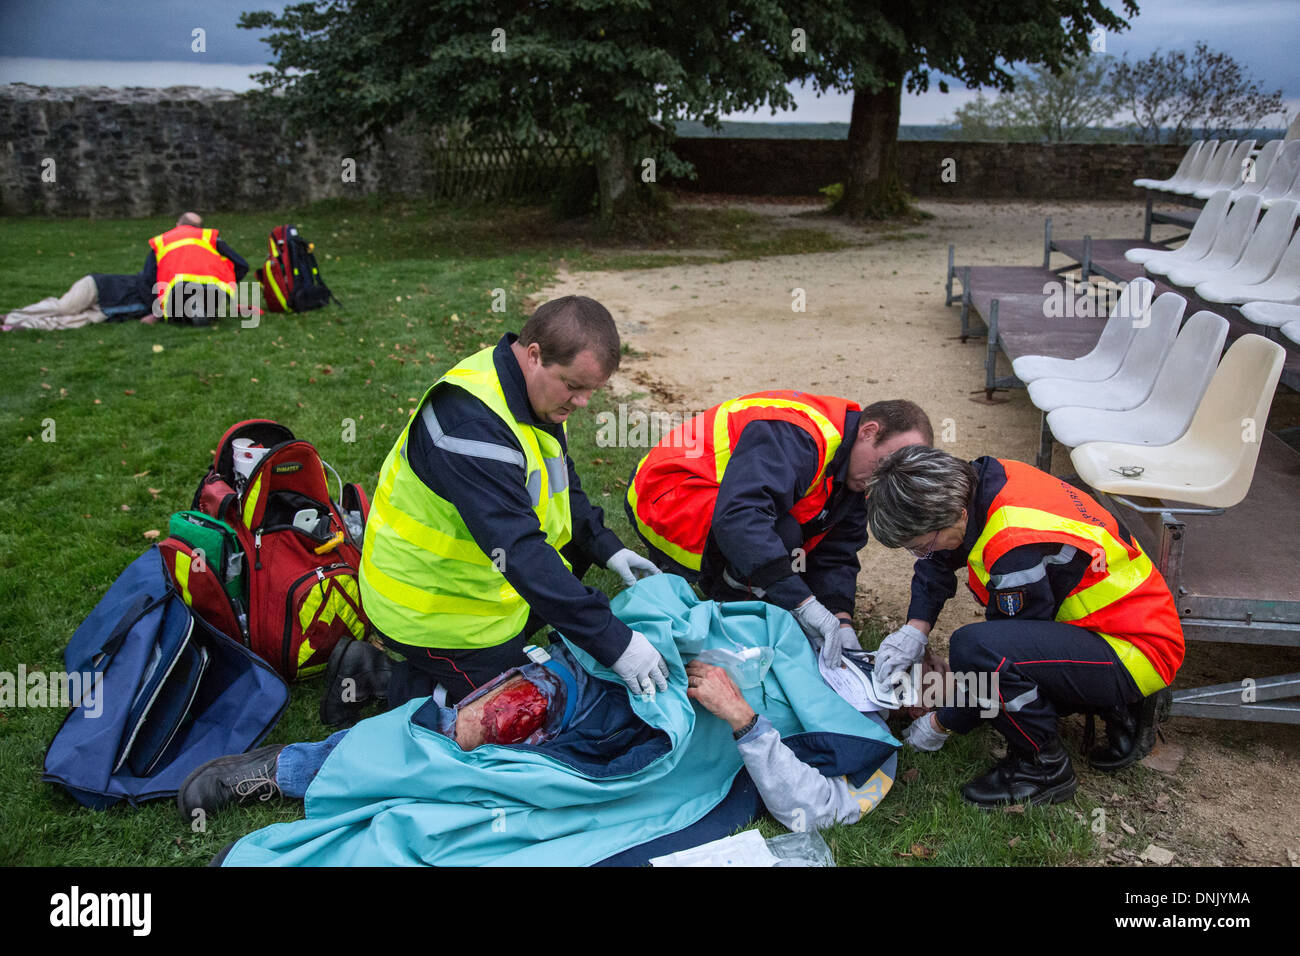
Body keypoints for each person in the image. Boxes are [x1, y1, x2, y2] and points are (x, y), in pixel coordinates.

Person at [178, 572, 904, 866]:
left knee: (501, 796)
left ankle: (331, 792)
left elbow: (818, 813)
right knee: (482, 723)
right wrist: (648, 638)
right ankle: (291, 768)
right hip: (612, 675)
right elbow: (681, 603)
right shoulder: (785, 626)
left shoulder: (868, 744)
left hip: (664, 749)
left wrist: (745, 722)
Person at [331, 296, 668, 726]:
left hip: (476, 591)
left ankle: (442, 672)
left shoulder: (531, 390)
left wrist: (604, 545)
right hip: (430, 613)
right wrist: (615, 642)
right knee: (518, 717)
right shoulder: (471, 428)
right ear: (534, 355)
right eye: (575, 386)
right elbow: (521, 550)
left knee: (541, 679)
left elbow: (560, 478)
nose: (582, 403)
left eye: (591, 391)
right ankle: (382, 684)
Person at [866, 446, 1185, 808]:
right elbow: (939, 559)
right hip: (1128, 623)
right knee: (984, 654)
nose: (920, 556)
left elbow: (997, 666)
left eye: (920, 546)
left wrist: (941, 721)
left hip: (1136, 651)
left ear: (955, 514)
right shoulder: (983, 479)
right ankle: (1106, 702)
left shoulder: (1013, 543)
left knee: (977, 650)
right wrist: (915, 630)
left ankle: (1043, 768)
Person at [626, 393, 932, 666]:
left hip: (713, 499)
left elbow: (836, 552)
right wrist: (802, 603)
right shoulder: (799, 436)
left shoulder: (862, 472)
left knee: (788, 544)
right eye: (885, 464)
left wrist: (841, 620)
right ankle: (734, 602)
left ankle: (754, 589)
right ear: (868, 432)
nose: (884, 480)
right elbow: (740, 518)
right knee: (781, 536)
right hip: (667, 496)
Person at [2, 212, 248, 331]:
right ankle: (12, 317)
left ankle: (13, 323)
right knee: (65, 308)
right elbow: (149, 282)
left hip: (108, 306)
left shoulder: (165, 245)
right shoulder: (200, 244)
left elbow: (153, 281)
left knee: (70, 320)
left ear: (177, 225)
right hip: (99, 287)